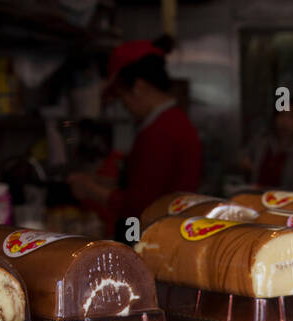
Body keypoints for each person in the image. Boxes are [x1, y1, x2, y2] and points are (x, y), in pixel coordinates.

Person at [69, 37, 202, 236]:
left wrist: (90, 190)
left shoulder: (161, 130)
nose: (125, 107)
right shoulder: (171, 121)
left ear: (138, 87)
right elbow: (149, 185)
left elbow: (139, 206)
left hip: (157, 234)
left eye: (123, 98)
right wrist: (107, 184)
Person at [239, 102, 293, 191]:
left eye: (292, 117)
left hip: (286, 200)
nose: (285, 121)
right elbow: (243, 155)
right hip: (255, 196)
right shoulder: (262, 139)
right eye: (282, 115)